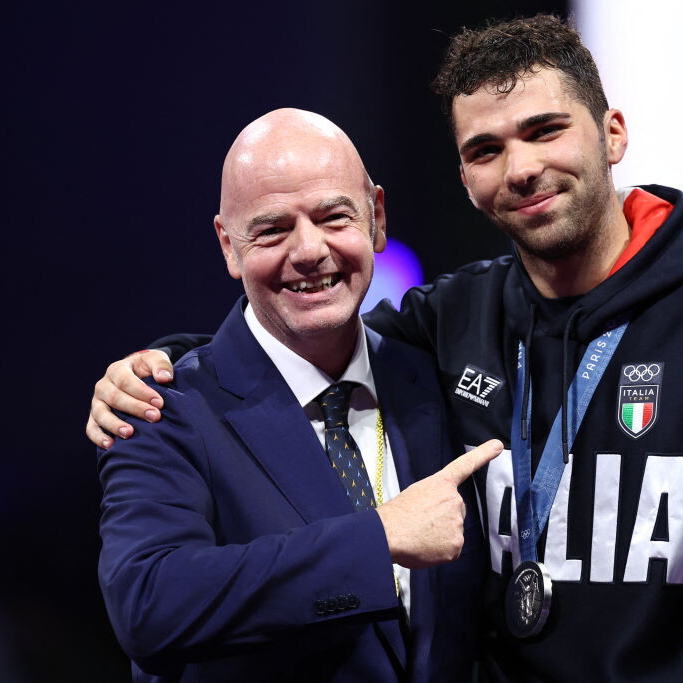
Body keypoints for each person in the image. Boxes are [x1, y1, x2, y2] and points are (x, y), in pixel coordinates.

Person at [88, 14, 683, 682]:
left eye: (544, 130)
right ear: (465, 177)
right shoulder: (452, 322)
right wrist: (156, 364)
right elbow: (299, 347)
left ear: (612, 133)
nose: (522, 168)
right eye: (486, 149)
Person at [94, 107, 502, 682]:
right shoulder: (158, 409)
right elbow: (150, 605)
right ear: (229, 246)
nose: (309, 250)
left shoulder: (430, 376)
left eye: (334, 217)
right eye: (272, 229)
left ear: (376, 219)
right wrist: (377, 539)